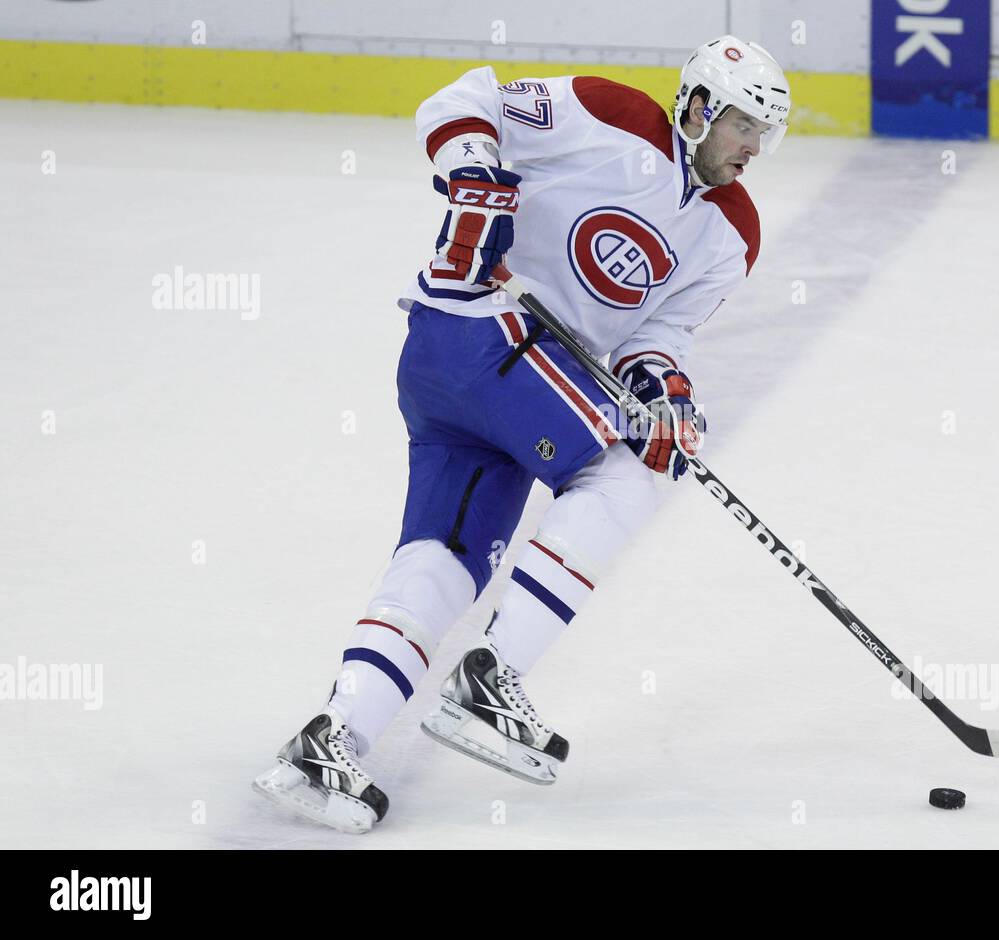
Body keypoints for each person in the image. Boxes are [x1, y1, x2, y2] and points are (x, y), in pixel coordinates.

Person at [254, 35, 791, 833]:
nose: (753, 147)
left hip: (498, 382)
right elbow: (462, 100)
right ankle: (490, 677)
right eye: (744, 123)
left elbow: (660, 334)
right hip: (479, 326)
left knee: (445, 560)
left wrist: (662, 388)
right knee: (621, 474)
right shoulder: (609, 115)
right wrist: (475, 176)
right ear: (701, 108)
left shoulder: (732, 233)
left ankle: (331, 740)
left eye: (766, 132)